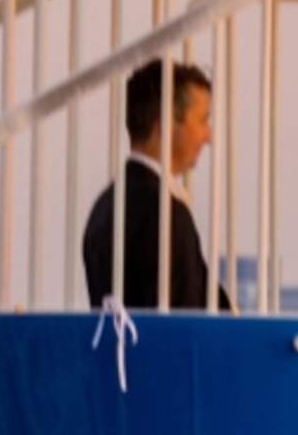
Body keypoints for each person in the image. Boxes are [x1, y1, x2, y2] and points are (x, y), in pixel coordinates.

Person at [81, 59, 231, 311]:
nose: (209, 136)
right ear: (166, 123)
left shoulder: (105, 206)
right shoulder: (166, 214)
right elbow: (185, 326)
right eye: (203, 120)